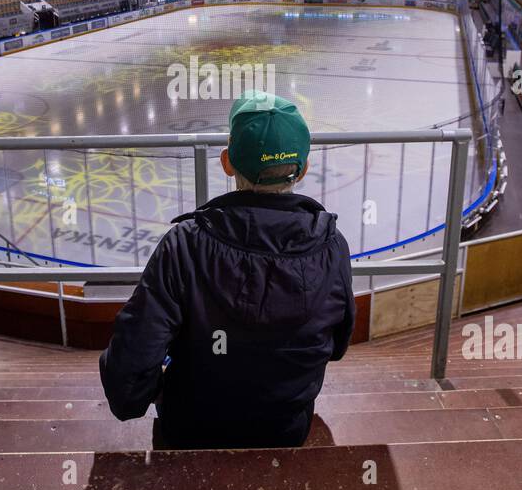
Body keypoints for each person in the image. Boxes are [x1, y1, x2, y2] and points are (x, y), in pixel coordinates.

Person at [99, 90, 355, 449]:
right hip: (285, 430)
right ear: (304, 168)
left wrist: (145, 397)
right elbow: (336, 344)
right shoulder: (332, 246)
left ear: (227, 163)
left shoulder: (184, 245)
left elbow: (132, 359)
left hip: (190, 430)